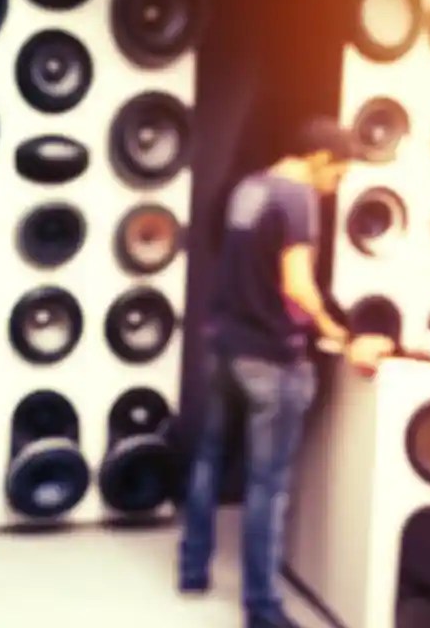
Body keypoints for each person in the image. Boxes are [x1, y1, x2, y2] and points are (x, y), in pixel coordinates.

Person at [177, 116, 393, 628]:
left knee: (208, 458)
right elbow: (296, 284)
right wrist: (341, 336)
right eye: (337, 175)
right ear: (319, 159)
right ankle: (262, 606)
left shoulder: (248, 189)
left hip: (222, 349)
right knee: (267, 485)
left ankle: (192, 568)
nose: (334, 186)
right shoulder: (298, 200)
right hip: (270, 361)